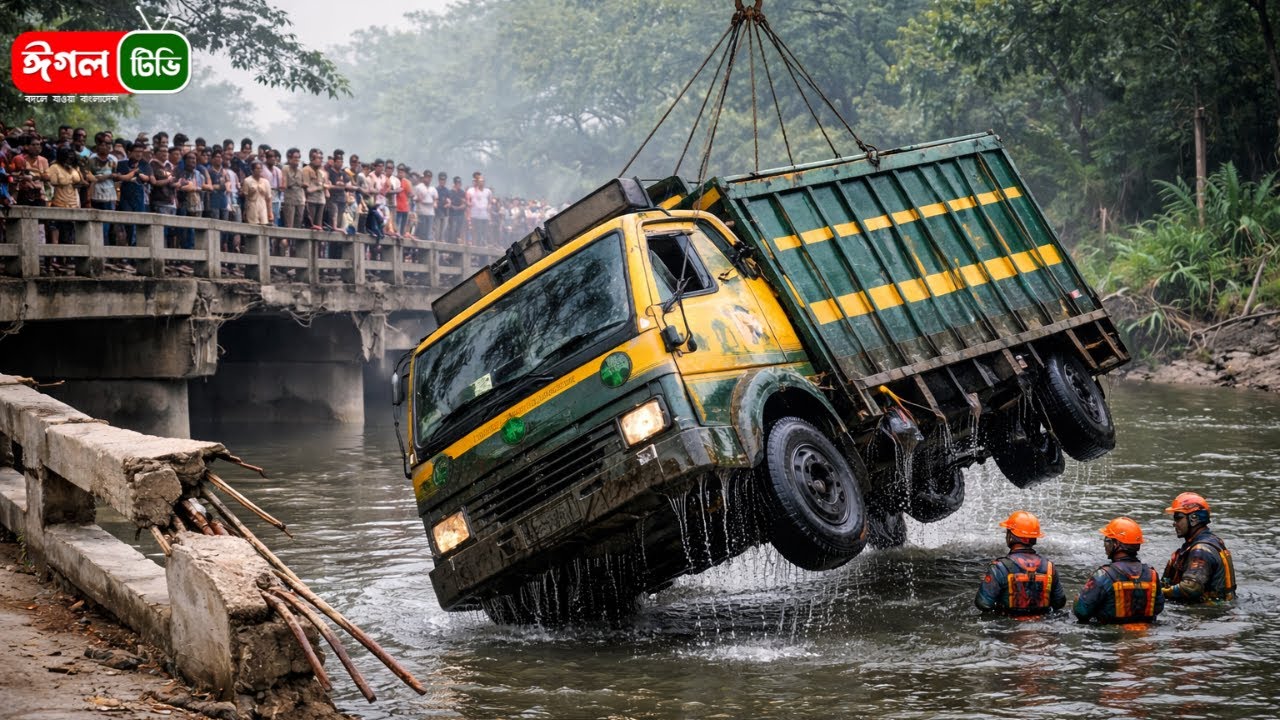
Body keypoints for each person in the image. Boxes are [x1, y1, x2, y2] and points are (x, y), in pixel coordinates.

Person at [1073, 517, 1165, 624]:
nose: (1104, 545)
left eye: (1107, 540)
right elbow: (1158, 607)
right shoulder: (1152, 575)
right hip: (1145, 632)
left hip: (1110, 633)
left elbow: (1081, 611)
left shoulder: (1103, 575)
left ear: (1116, 544)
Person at [975, 510, 1066, 617]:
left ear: (1011, 537)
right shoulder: (1049, 567)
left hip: (1008, 624)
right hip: (1042, 623)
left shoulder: (999, 567)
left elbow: (983, 604)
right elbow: (1059, 602)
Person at [1162, 492, 1237, 604]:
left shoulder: (1201, 550)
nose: (1174, 523)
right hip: (1220, 608)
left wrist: (1159, 592)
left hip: (1209, 611)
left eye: (1178, 518)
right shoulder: (1212, 540)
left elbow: (1191, 588)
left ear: (1194, 519)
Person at [242, 161, 274, 226]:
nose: (259, 170)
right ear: (252, 170)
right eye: (257, 168)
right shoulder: (247, 181)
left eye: (260, 169)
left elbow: (269, 198)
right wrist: (245, 211)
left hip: (263, 206)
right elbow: (246, 197)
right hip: (252, 206)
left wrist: (270, 212)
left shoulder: (265, 182)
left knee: (263, 225)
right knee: (253, 226)